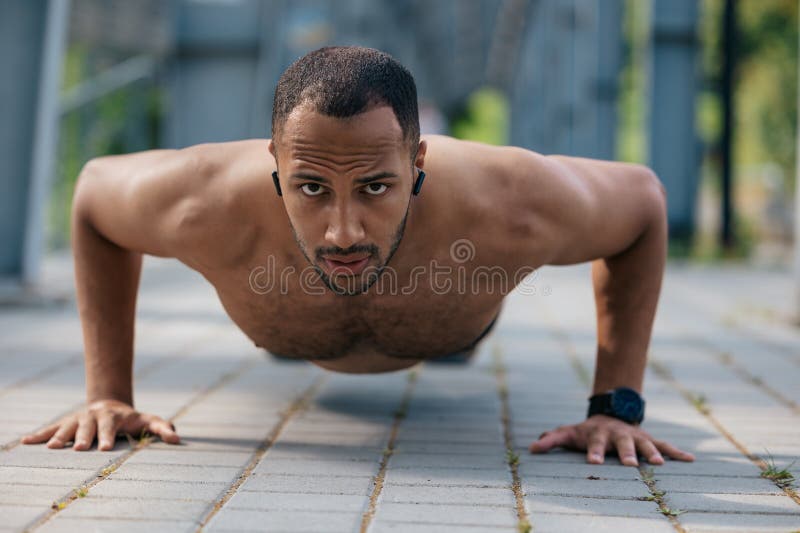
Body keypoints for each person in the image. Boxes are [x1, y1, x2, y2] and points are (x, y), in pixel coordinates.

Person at [22, 46, 695, 467]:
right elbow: (92, 197)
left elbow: (642, 203)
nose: (343, 231)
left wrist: (616, 404)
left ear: (417, 161)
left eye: (376, 186)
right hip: (292, 326)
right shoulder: (204, 199)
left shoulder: (511, 200)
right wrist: (108, 394)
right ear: (275, 166)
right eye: (312, 188)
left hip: (449, 318)